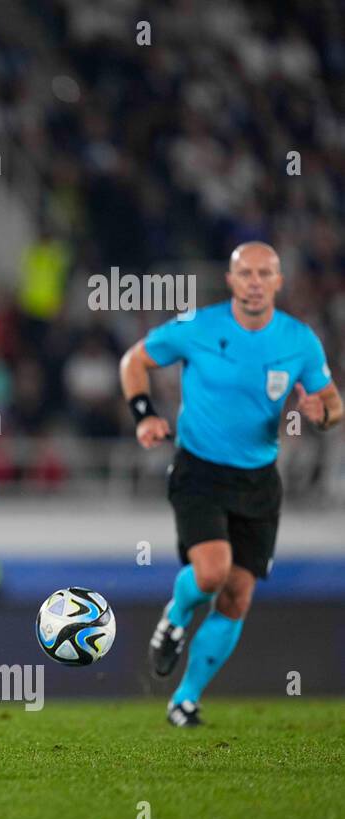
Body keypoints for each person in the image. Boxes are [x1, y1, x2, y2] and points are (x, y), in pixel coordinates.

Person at [119, 242, 341, 727]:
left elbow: (332, 405)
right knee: (213, 572)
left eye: (266, 273)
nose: (256, 282)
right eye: (247, 273)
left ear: (279, 282)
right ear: (231, 280)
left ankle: (185, 700)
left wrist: (319, 414)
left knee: (237, 595)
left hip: (259, 479)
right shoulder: (198, 327)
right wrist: (144, 416)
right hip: (199, 469)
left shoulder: (299, 341)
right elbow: (133, 362)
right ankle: (175, 618)